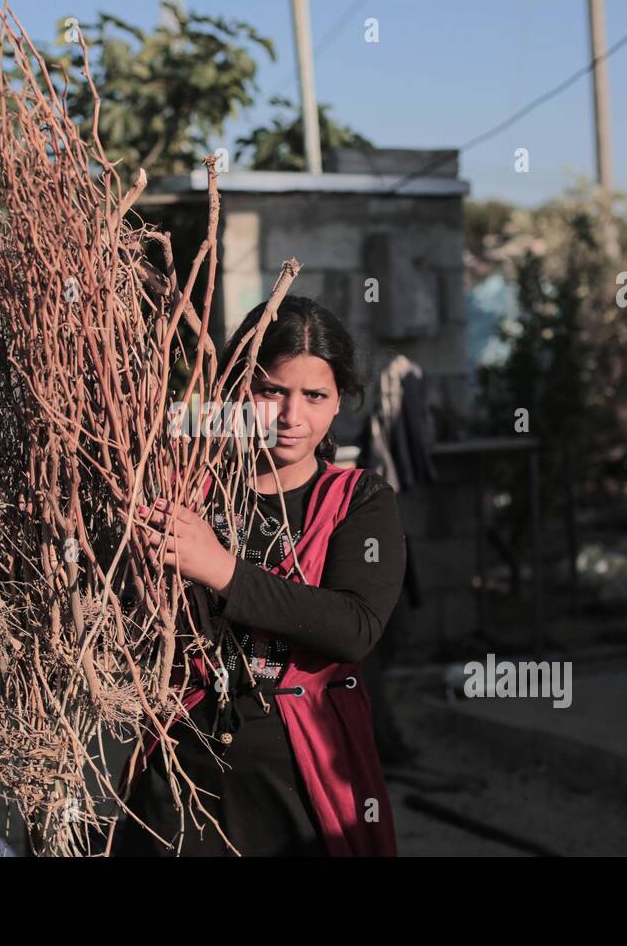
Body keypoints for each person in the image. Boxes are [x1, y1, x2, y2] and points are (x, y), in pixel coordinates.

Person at [111, 295, 407, 857]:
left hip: (299, 783)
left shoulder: (358, 501)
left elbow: (354, 626)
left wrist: (222, 569)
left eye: (315, 395)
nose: (292, 416)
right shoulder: (189, 489)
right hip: (181, 771)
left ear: (339, 400)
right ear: (239, 391)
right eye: (272, 390)